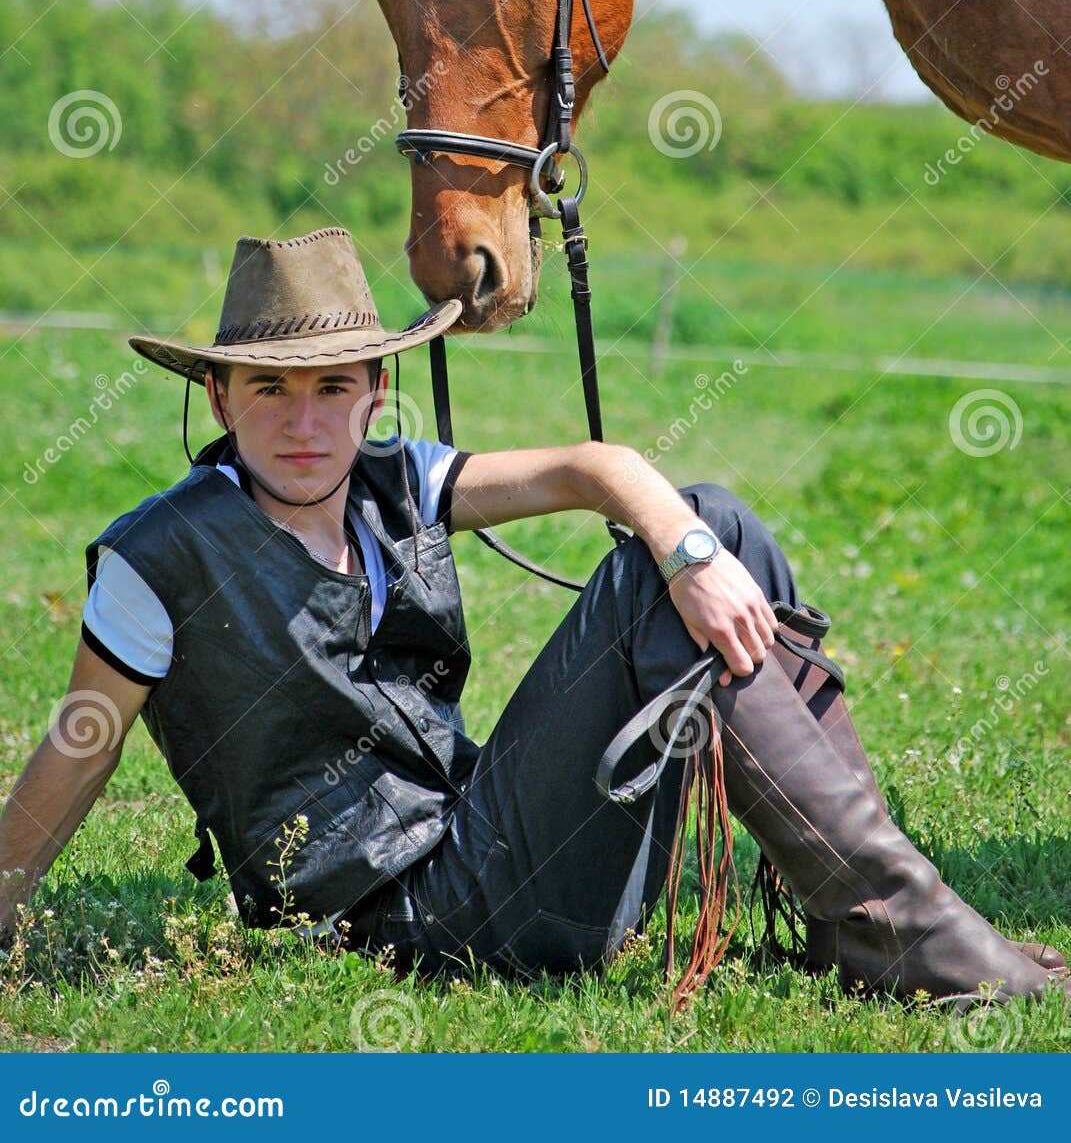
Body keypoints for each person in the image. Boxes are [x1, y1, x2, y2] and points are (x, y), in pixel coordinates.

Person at [0, 228, 1065, 1013]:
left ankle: (864, 920)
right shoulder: (162, 552)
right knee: (660, 574)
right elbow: (81, 743)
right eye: (268, 389)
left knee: (712, 525)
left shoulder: (396, 480)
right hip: (410, 919)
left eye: (332, 386)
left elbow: (596, 468)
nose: (304, 419)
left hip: (499, 858)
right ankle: (907, 928)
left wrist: (691, 545)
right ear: (223, 399)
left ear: (377, 390)